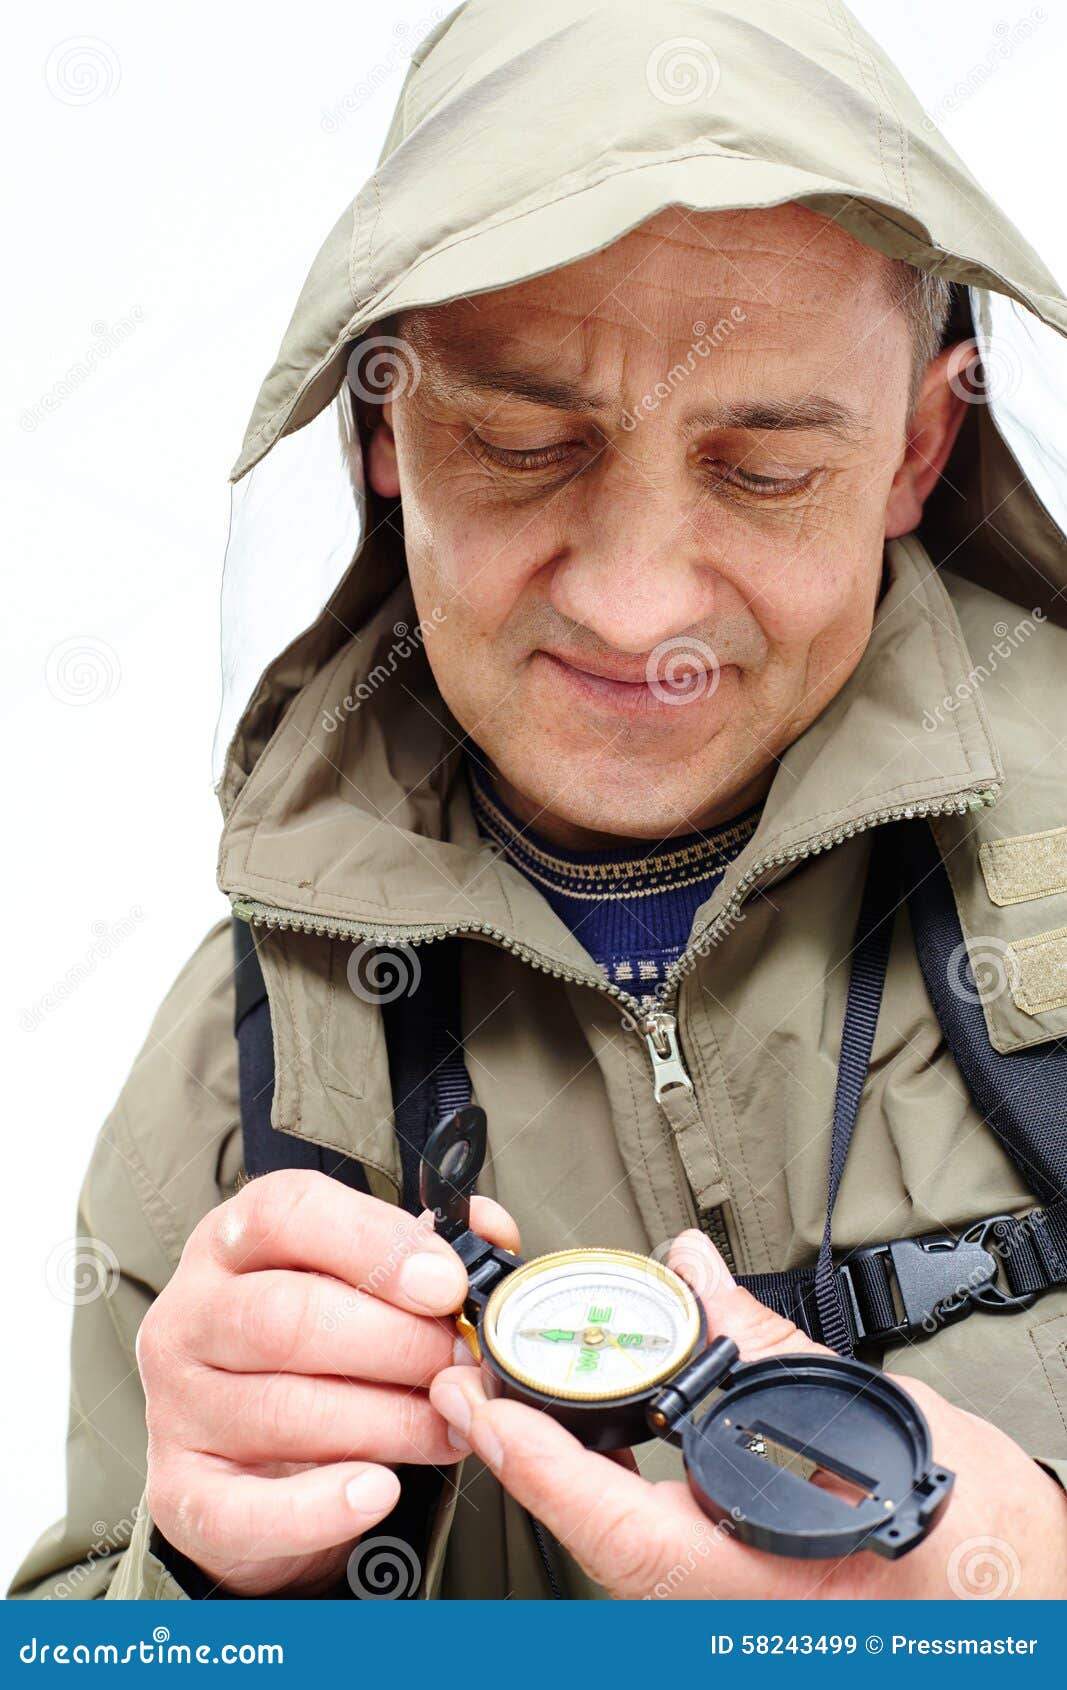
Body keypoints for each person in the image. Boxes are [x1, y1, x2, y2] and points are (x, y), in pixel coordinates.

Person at [12, 0, 1067, 1601]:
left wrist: (1021, 1586)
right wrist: (205, 1580)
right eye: (519, 445)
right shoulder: (244, 1087)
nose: (639, 606)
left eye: (765, 468)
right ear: (384, 428)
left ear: (923, 444)